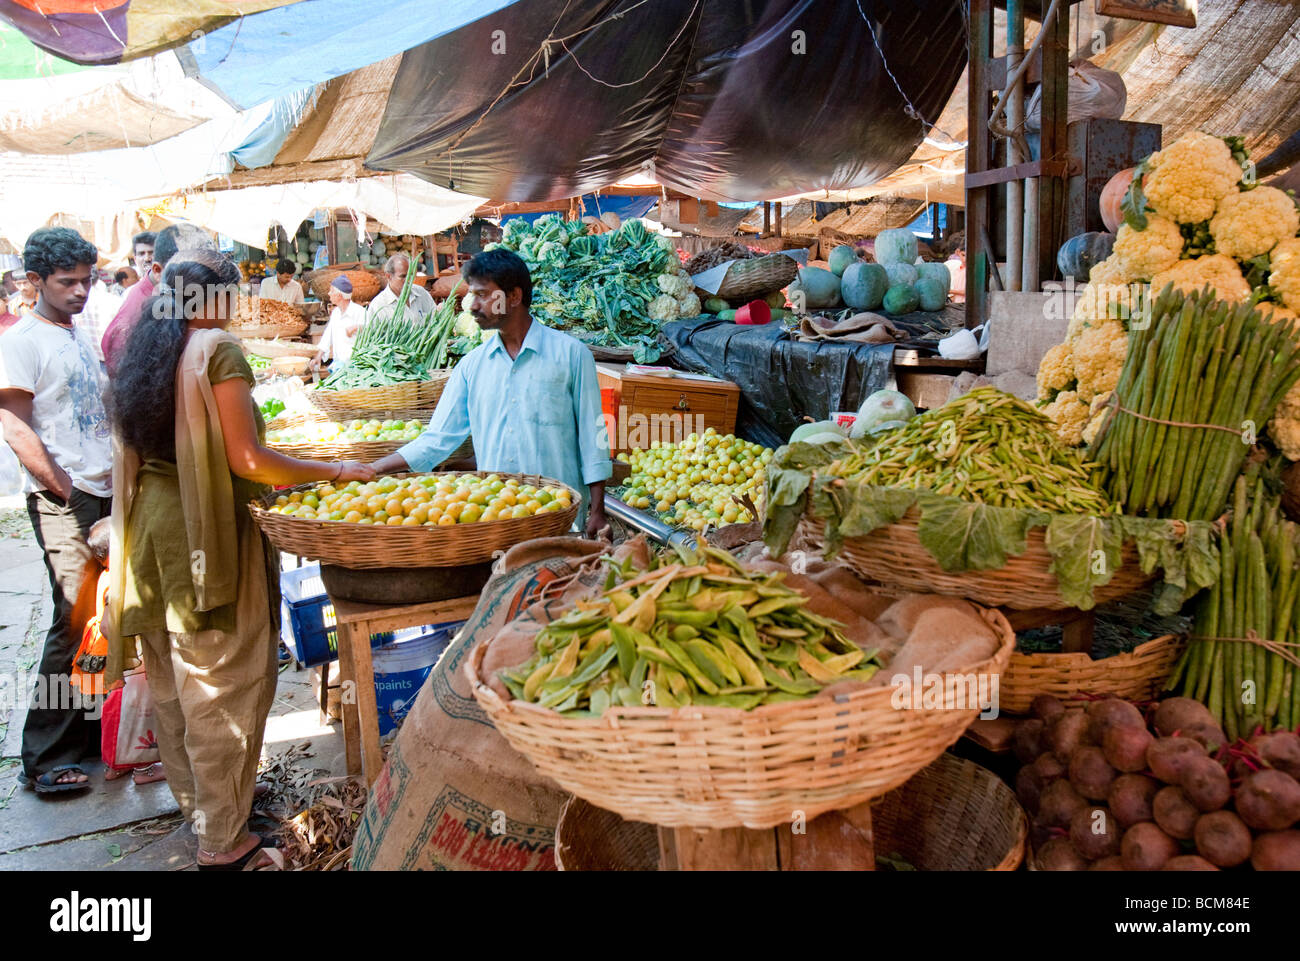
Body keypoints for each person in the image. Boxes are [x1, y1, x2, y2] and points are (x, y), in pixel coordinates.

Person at [105, 248, 374, 869]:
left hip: (152, 536)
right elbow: (248, 460)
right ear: (218, 298)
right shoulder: (216, 349)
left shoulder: (150, 347)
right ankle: (224, 842)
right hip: (206, 534)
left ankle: (201, 808)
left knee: (175, 681)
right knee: (223, 682)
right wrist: (335, 469)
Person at [370, 249, 610, 535]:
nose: (472, 306)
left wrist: (597, 512)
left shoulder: (571, 355)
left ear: (514, 296)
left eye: (483, 295)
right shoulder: (471, 366)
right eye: (472, 295)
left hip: (559, 519)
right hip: (496, 519)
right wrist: (373, 469)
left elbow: (593, 440)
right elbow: (437, 439)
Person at [0, 227, 113, 794]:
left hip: (102, 489)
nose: (80, 291)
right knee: (70, 622)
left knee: (102, 618)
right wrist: (64, 488)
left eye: (86, 280)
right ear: (35, 281)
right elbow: (16, 425)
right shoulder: (22, 341)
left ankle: (90, 735)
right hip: (64, 498)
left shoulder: (75, 333)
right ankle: (44, 756)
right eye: (66, 282)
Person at [101, 223, 215, 375]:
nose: (199, 287)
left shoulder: (171, 297)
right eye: (191, 276)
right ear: (158, 271)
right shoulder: (136, 314)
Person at [312, 275, 366, 371]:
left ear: (339, 295)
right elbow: (328, 336)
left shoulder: (359, 312)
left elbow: (371, 330)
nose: (329, 293)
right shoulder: (336, 312)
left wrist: (358, 327)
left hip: (355, 366)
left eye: (332, 291)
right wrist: (318, 357)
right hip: (339, 364)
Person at [365, 253, 433, 324]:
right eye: (403, 276)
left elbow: (435, 317)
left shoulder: (421, 293)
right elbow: (373, 333)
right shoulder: (378, 306)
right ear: (388, 276)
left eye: (410, 275)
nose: (408, 280)